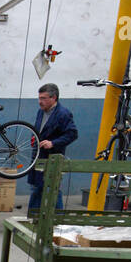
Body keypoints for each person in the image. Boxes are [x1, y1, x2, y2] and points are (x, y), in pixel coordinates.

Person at [27, 83, 78, 213]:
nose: (40, 102)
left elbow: (72, 134)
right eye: (39, 98)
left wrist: (53, 143)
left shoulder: (63, 114)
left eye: (43, 98)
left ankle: (58, 219)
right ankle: (33, 219)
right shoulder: (41, 112)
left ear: (53, 98)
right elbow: (39, 129)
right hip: (38, 156)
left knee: (52, 189)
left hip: (52, 158)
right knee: (37, 188)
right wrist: (35, 137)